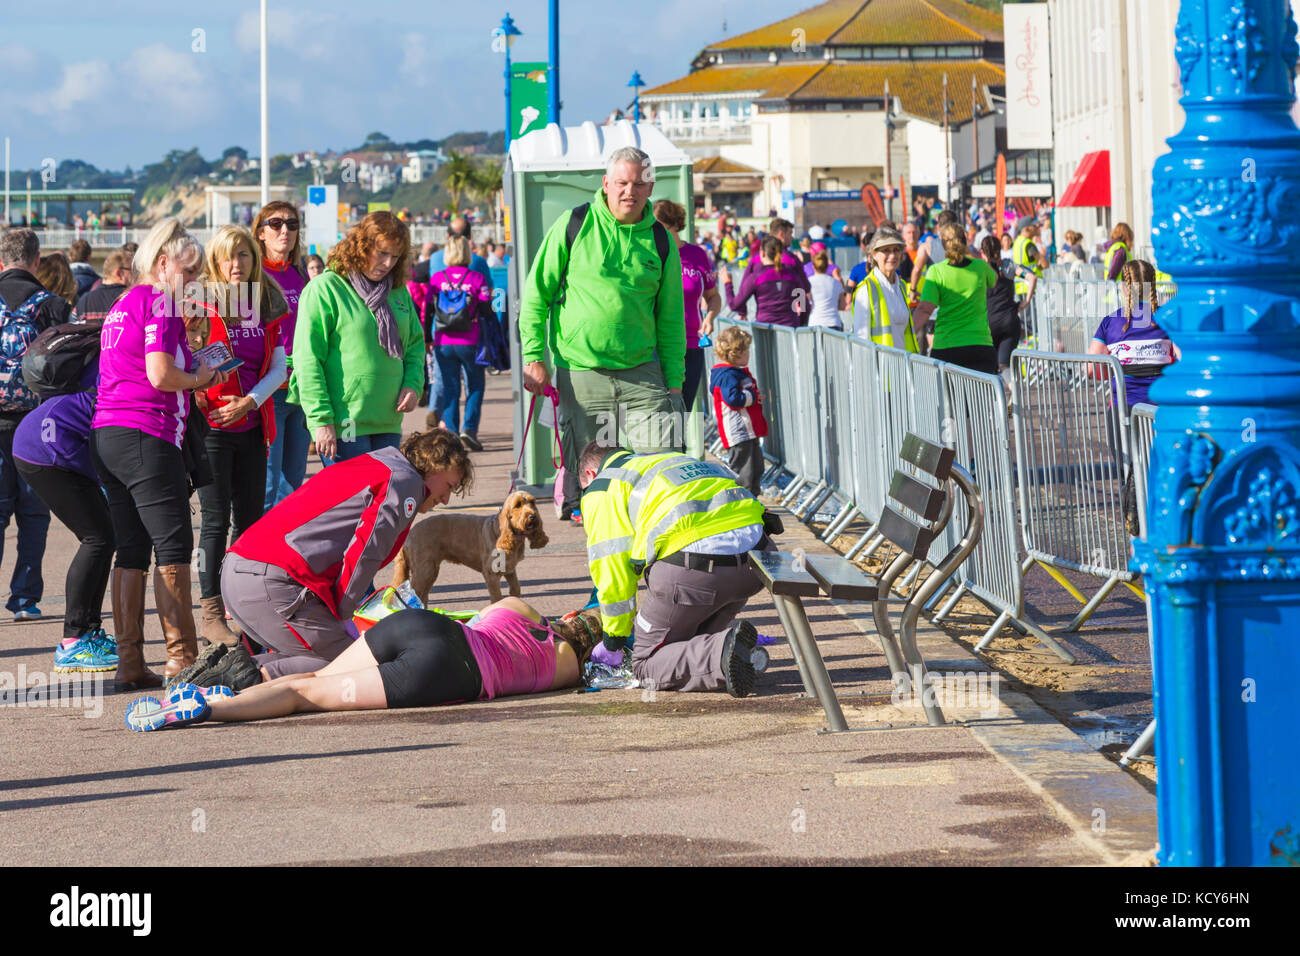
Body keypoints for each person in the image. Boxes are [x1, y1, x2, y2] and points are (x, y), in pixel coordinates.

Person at [91, 218, 230, 688]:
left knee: (131, 548)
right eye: (188, 273)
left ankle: (129, 662)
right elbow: (159, 375)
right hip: (147, 434)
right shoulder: (162, 302)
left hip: (107, 433)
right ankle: (182, 661)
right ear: (164, 263)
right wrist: (202, 378)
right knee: (173, 547)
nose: (193, 283)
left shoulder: (122, 303)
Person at [217, 429, 472, 680]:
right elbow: (365, 551)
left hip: (243, 570)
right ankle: (230, 680)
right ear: (433, 465)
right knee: (351, 665)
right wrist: (344, 614)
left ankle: (222, 671)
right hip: (271, 580)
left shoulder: (382, 462)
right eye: (449, 486)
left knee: (317, 657)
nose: (447, 499)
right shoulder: (405, 484)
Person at [124, 597, 604, 730]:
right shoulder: (568, 666)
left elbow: (487, 616)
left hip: (424, 624)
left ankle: (207, 695)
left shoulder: (520, 608)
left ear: (568, 617)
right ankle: (208, 710)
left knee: (311, 676)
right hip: (447, 669)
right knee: (302, 696)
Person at [518, 145, 686, 522]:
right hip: (582, 375)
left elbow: (672, 320)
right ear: (606, 184)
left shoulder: (660, 240)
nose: (630, 191)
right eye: (622, 183)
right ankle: (608, 568)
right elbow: (535, 296)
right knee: (597, 481)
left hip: (643, 375)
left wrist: (674, 384)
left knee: (663, 467)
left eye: (639, 184)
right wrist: (533, 357)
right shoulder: (574, 224)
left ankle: (658, 557)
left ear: (650, 187)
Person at [578, 440, 768, 697]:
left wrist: (613, 642)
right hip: (757, 562)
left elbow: (614, 576)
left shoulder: (602, 488)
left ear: (590, 474)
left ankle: (720, 652)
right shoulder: (669, 461)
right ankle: (729, 652)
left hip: (697, 572)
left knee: (646, 664)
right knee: (678, 644)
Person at [192, 225, 290, 645]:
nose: (237, 264)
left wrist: (250, 401)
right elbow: (179, 359)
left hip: (252, 424)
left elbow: (278, 369)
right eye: (229, 257)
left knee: (251, 523)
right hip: (211, 427)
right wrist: (199, 392)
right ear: (215, 261)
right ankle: (212, 612)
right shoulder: (197, 302)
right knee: (215, 520)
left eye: (245, 255)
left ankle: (244, 606)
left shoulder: (267, 299)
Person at [292, 211, 425, 466]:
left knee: (383, 503)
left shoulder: (397, 291)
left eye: (395, 257)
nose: (388, 263)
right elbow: (307, 359)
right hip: (345, 422)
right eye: (382, 253)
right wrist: (321, 420)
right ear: (361, 246)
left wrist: (413, 384)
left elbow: (415, 345)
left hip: (388, 419)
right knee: (355, 504)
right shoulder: (325, 288)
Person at [12, 362, 118, 673]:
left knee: (104, 536)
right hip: (43, 448)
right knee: (97, 538)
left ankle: (88, 632)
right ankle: (73, 641)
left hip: (52, 441)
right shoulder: (129, 377)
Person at [0, 228, 72, 622]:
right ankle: (24, 599)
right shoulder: (53, 306)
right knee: (33, 515)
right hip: (36, 427)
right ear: (37, 261)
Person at [1088, 258, 1178, 535]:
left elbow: (1092, 368)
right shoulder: (1167, 320)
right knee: (1162, 471)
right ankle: (1160, 533)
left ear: (1125, 289)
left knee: (1132, 469)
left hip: (1123, 408)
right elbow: (1181, 360)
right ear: (1153, 285)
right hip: (1161, 410)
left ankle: (1136, 542)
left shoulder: (1112, 323)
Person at [252, 201, 312, 510]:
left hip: (303, 389)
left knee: (293, 481)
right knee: (267, 482)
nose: (284, 230)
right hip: (269, 389)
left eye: (291, 224)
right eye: (275, 224)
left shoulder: (302, 274)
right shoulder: (250, 273)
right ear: (261, 232)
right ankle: (251, 554)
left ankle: (277, 552)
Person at [653, 199, 720, 412]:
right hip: (657, 345)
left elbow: (713, 296)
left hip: (691, 344)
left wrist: (710, 317)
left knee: (682, 412)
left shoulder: (696, 255)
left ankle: (678, 447)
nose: (652, 231)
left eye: (658, 225)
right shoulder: (650, 254)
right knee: (659, 414)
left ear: (673, 224)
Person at [428, 235, 493, 451]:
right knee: (475, 385)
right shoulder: (476, 278)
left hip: (443, 341)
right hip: (470, 340)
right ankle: (470, 429)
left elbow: (427, 311)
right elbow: (486, 310)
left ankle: (453, 434)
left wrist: (428, 338)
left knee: (450, 387)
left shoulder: (437, 278)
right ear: (467, 252)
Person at [911, 222, 999, 374]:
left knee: (949, 398)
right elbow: (994, 280)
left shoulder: (936, 271)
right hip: (980, 345)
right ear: (965, 242)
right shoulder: (980, 266)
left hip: (947, 347)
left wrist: (909, 334)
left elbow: (925, 309)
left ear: (944, 244)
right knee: (982, 398)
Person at [710, 326, 768, 496]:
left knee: (757, 467)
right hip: (738, 432)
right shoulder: (727, 375)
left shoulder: (734, 373)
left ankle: (753, 500)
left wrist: (753, 396)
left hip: (747, 431)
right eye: (746, 351)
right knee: (744, 472)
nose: (749, 354)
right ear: (736, 353)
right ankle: (741, 502)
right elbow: (733, 399)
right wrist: (751, 395)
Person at [851, 226, 917, 352]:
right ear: (874, 255)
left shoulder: (901, 286)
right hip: (880, 368)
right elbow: (861, 340)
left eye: (896, 250)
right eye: (886, 250)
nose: (892, 255)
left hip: (903, 366)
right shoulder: (866, 289)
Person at [719, 236, 810, 327]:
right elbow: (804, 303)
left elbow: (734, 305)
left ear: (762, 253)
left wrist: (727, 283)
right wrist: (801, 323)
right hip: (790, 330)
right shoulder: (792, 275)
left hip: (764, 331)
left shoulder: (756, 277)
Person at [981, 234, 1021, 374]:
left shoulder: (981, 270)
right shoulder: (1008, 265)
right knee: (1004, 365)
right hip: (1010, 320)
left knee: (989, 368)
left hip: (989, 323)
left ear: (982, 252)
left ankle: (994, 395)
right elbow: (1031, 276)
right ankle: (1014, 393)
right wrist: (1026, 302)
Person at [76, 249, 134, 323]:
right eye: (132, 270)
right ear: (120, 273)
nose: (136, 275)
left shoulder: (83, 301)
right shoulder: (132, 299)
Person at [806, 250, 847, 330]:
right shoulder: (836, 283)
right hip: (834, 323)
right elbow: (843, 305)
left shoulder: (808, 282)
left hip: (815, 323)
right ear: (827, 266)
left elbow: (804, 304)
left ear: (813, 266)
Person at [1011, 222, 1043, 303]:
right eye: (1034, 226)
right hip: (1030, 285)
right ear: (1026, 229)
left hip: (1020, 285)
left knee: (1024, 314)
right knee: (1031, 315)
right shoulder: (1028, 243)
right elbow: (1044, 263)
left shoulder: (1017, 241)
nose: (1036, 228)